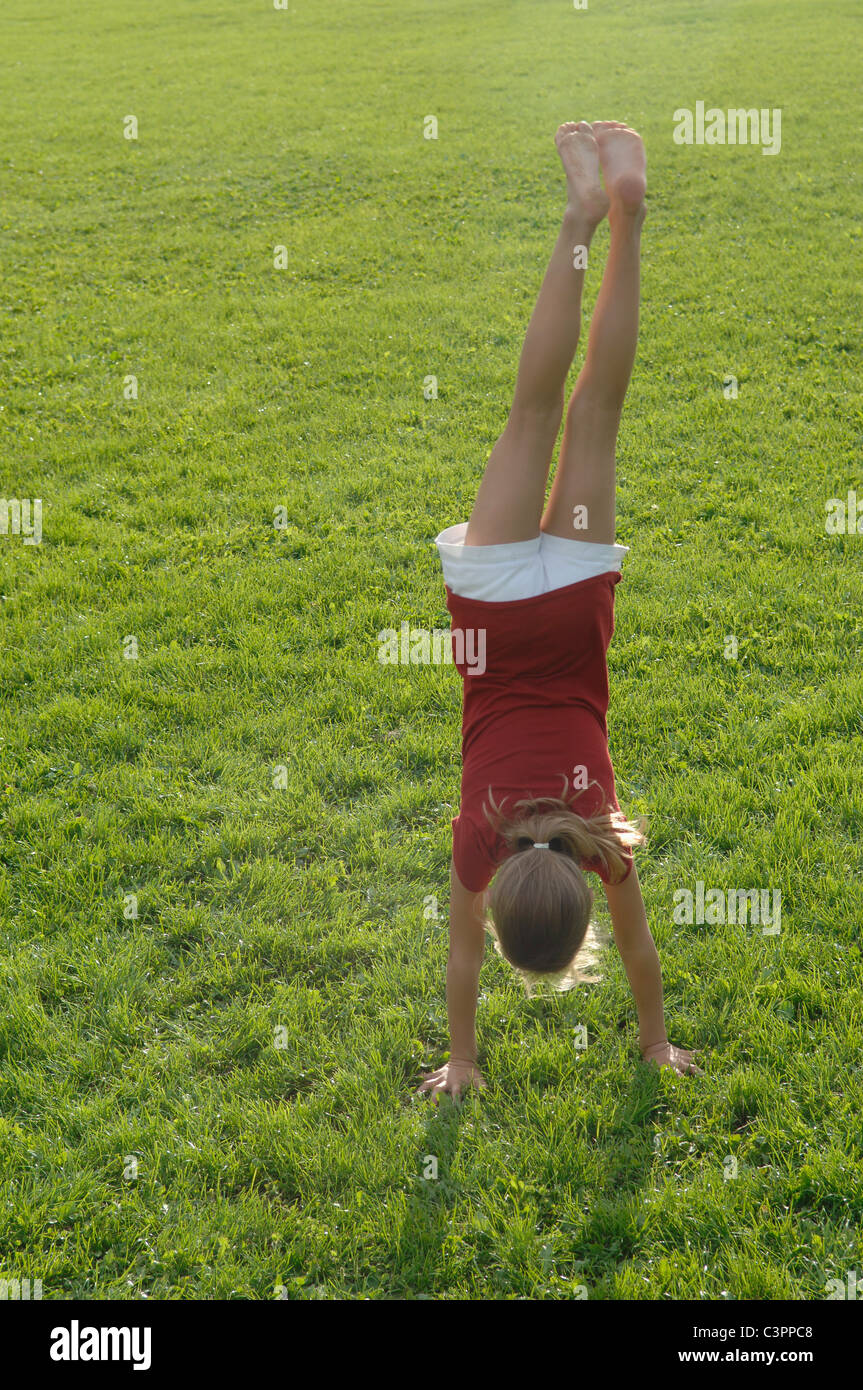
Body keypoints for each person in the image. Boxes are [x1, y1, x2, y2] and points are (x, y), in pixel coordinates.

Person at [419, 121, 701, 1102]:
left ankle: (624, 212)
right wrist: (461, 1054)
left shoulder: (605, 840)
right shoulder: (477, 843)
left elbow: (642, 962)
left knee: (593, 412)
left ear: (578, 892)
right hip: (496, 609)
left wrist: (655, 1042)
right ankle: (577, 213)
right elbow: (458, 967)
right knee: (531, 412)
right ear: (502, 900)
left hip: (573, 599)